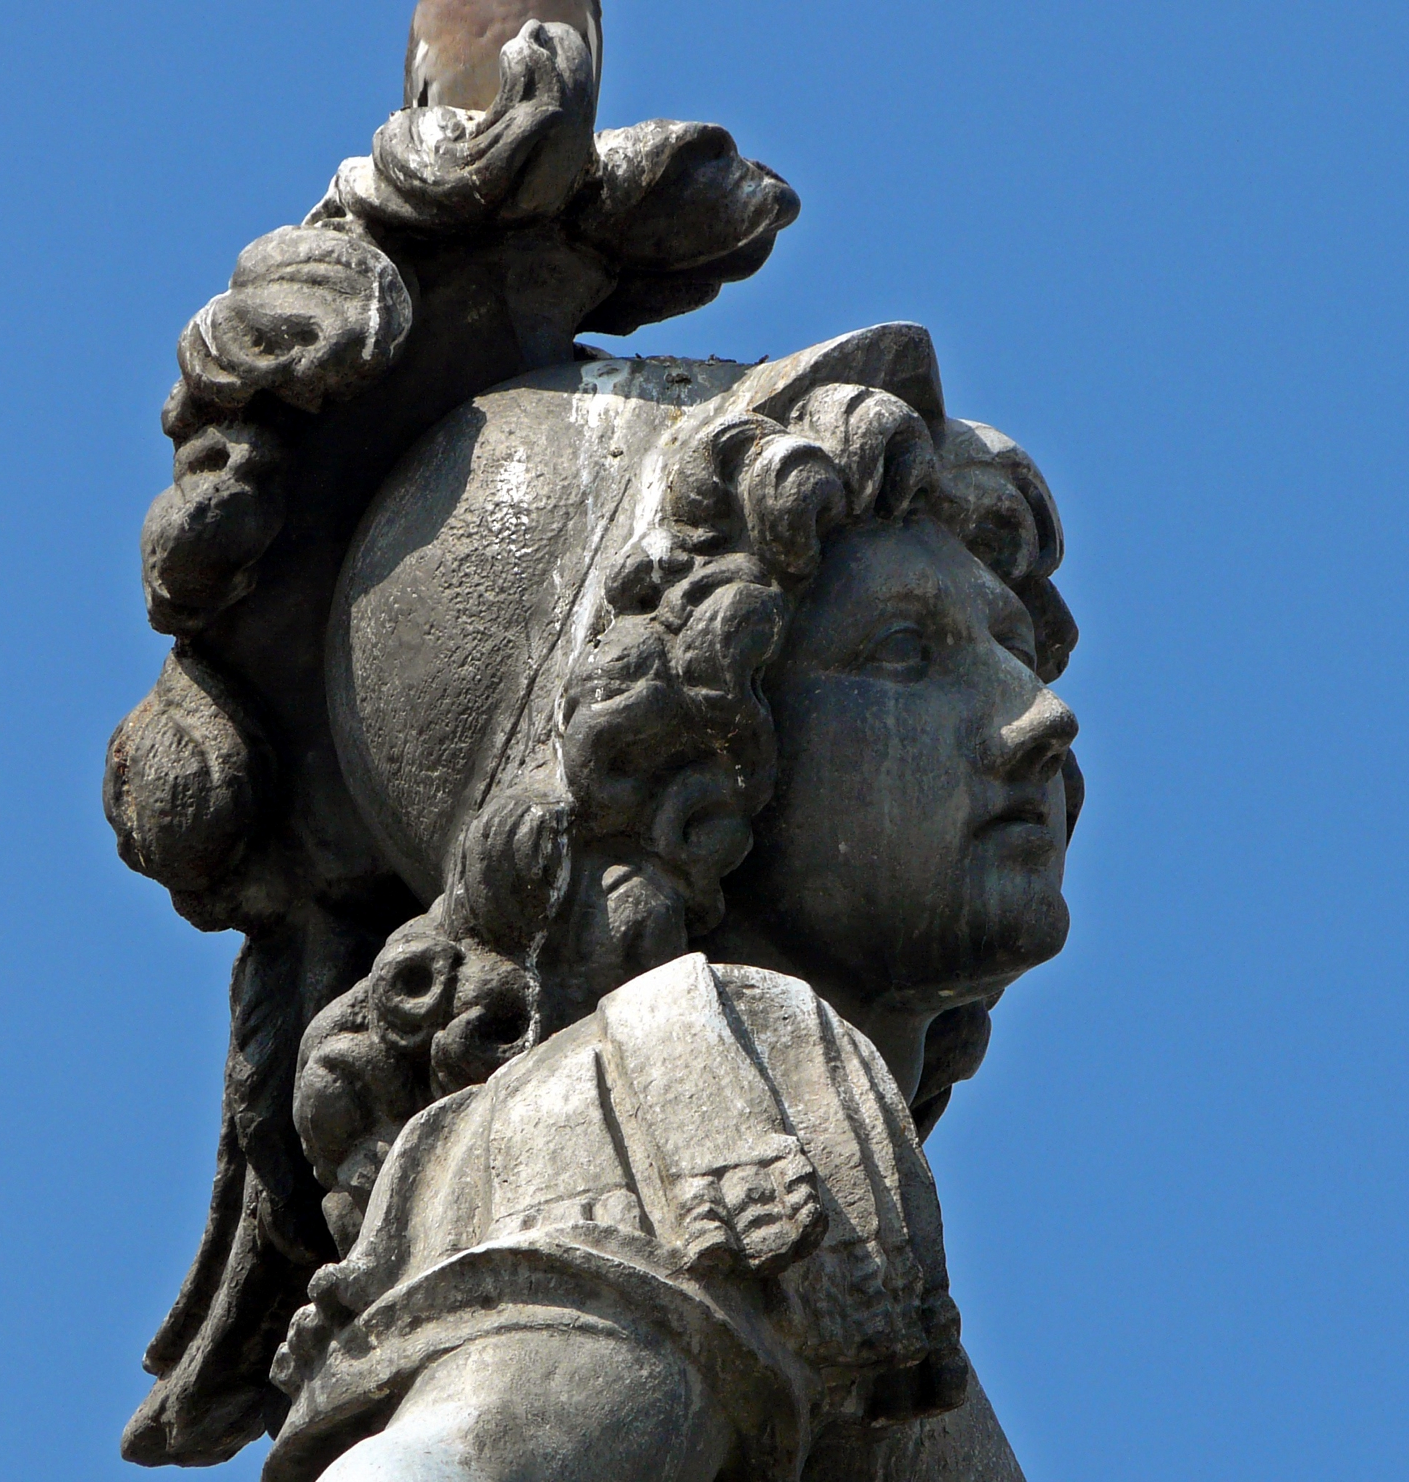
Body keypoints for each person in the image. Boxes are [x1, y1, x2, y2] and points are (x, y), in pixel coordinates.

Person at [258, 326, 1080, 1482]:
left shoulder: (819, 1150)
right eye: (905, 654)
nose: (1041, 716)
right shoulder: (686, 1091)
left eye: (1010, 646)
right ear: (688, 764)